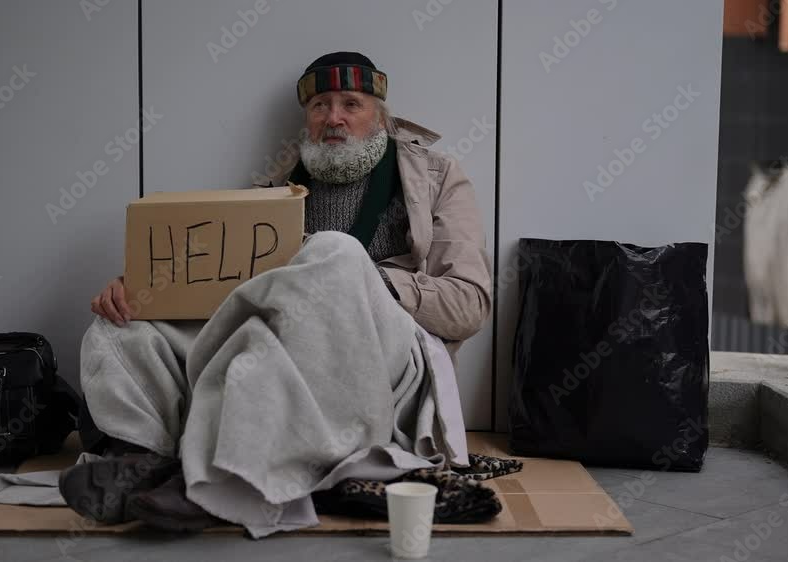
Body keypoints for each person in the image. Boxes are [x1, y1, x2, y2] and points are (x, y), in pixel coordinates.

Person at [60, 51, 492, 536]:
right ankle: (139, 460)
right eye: (320, 106)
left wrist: (364, 280)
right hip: (278, 336)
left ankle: (218, 478)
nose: (334, 118)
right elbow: (220, 290)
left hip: (386, 355)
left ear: (380, 114)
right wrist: (139, 289)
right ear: (306, 118)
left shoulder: (437, 176)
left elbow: (470, 304)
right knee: (125, 328)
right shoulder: (271, 192)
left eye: (351, 103)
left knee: (335, 251)